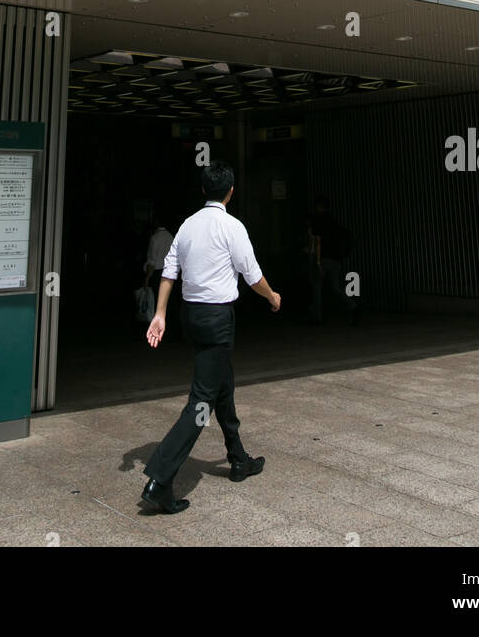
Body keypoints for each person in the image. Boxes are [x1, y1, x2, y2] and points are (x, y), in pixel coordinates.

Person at [141, 160, 281, 515]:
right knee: (201, 403)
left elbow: (169, 272)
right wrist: (273, 297)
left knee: (222, 384)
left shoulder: (187, 225)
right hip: (219, 318)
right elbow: (252, 276)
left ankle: (238, 459)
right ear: (231, 192)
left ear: (204, 190)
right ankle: (159, 480)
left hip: (192, 317)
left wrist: (160, 314)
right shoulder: (231, 227)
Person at [310, 194, 354, 325]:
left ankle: (318, 317)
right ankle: (352, 304)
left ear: (318, 206)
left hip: (324, 259)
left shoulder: (318, 221)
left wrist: (317, 261)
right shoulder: (334, 221)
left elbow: (318, 242)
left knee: (317, 287)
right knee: (336, 287)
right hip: (336, 259)